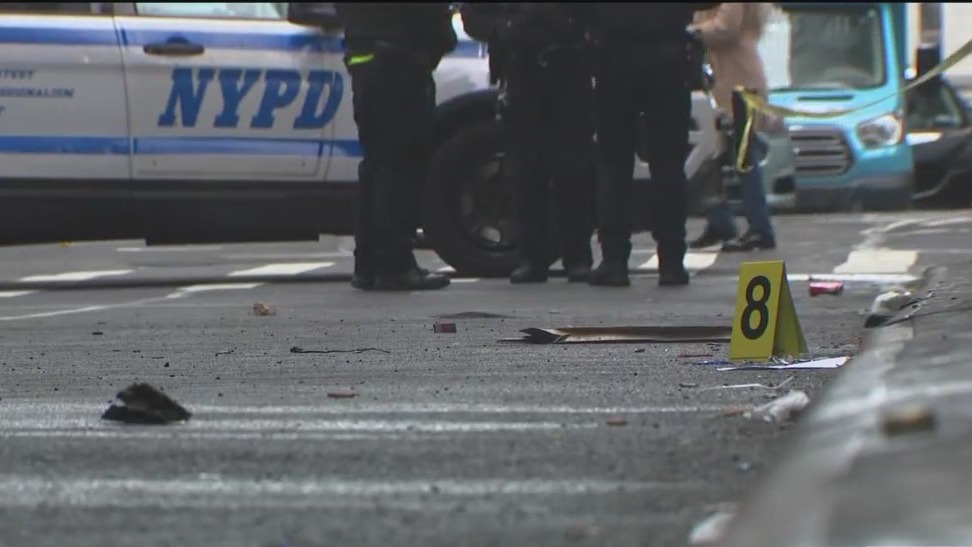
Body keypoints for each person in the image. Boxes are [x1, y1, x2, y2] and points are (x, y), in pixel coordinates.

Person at [567, 3, 720, 287]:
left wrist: (590, 26)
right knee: (669, 165)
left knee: (614, 162)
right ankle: (672, 262)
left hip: (615, 55)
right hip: (668, 56)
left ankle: (615, 261)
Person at [460, 3, 596, 283]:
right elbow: (473, 17)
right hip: (520, 68)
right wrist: (504, 29)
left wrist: (573, 25)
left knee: (574, 168)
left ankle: (578, 257)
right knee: (525, 168)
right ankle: (531, 258)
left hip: (569, 65)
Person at [334, 3, 457, 291]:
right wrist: (442, 40)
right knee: (401, 163)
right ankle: (394, 263)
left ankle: (367, 264)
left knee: (377, 162)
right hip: (400, 57)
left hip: (364, 54)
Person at [689, 2, 777, 252]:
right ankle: (720, 221)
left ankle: (760, 228)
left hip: (741, 82)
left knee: (743, 155)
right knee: (716, 155)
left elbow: (725, 28)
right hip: (724, 84)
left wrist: (689, 32)